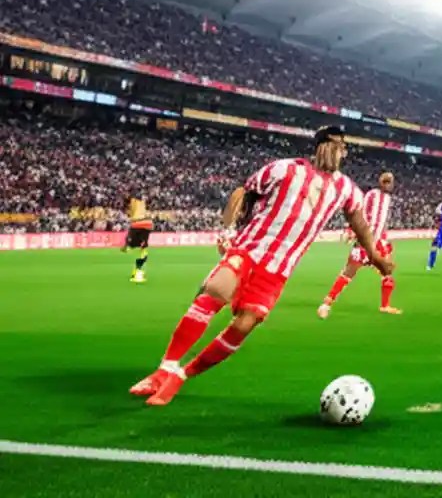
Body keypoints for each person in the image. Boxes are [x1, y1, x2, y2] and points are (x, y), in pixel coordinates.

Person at [129, 126, 395, 406]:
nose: (340, 151)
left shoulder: (347, 189)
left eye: (343, 147)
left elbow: (361, 225)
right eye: (335, 144)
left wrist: (376, 258)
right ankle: (164, 369)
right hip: (249, 250)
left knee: (243, 325)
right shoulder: (284, 169)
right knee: (217, 290)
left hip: (279, 269)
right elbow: (245, 191)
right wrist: (230, 229)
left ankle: (181, 376)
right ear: (320, 146)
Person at [318, 171, 400, 318]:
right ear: (380, 182)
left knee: (387, 272)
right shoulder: (371, 195)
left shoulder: (387, 198)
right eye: (385, 181)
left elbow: (381, 221)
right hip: (365, 241)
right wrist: (352, 231)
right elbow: (358, 213)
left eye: (390, 182)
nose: (388, 184)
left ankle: (385, 306)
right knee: (349, 272)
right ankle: (326, 303)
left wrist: (384, 239)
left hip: (379, 242)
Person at [122, 192, 153, 283]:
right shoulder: (142, 202)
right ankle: (139, 269)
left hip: (137, 223)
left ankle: (129, 245)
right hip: (147, 223)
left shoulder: (132, 202)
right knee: (143, 248)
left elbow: (128, 205)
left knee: (131, 246)